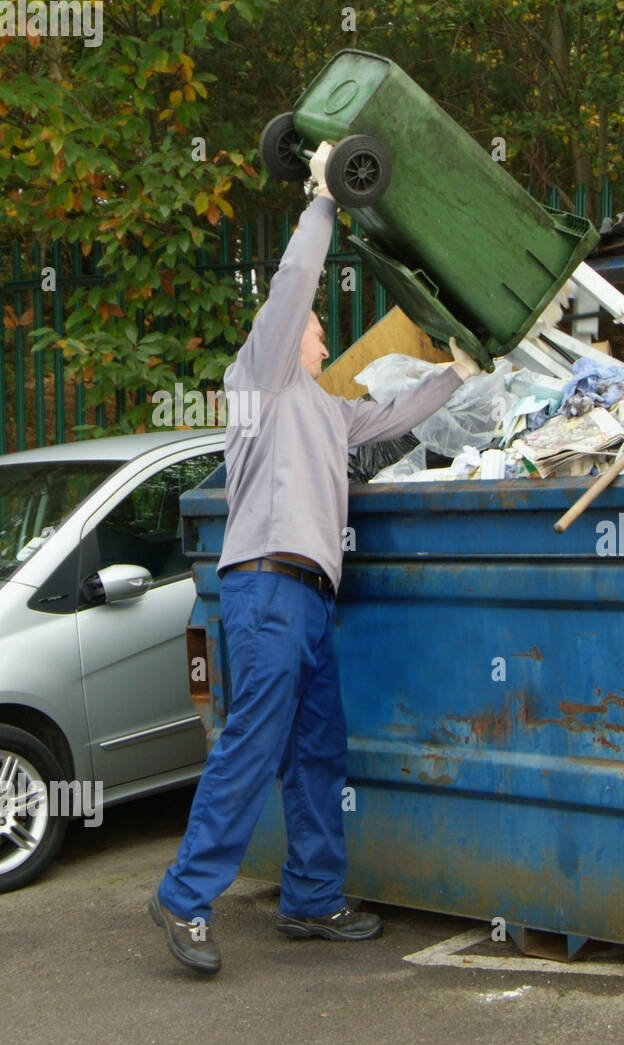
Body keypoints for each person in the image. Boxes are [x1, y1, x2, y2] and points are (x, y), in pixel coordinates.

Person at [150, 150, 480, 975]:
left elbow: (397, 411)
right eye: (316, 325)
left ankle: (311, 897)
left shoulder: (328, 413)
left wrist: (460, 373)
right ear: (278, 330)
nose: (325, 331)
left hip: (311, 600)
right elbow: (295, 280)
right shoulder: (258, 378)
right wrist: (326, 200)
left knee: (319, 749)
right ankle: (184, 898)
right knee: (253, 745)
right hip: (263, 586)